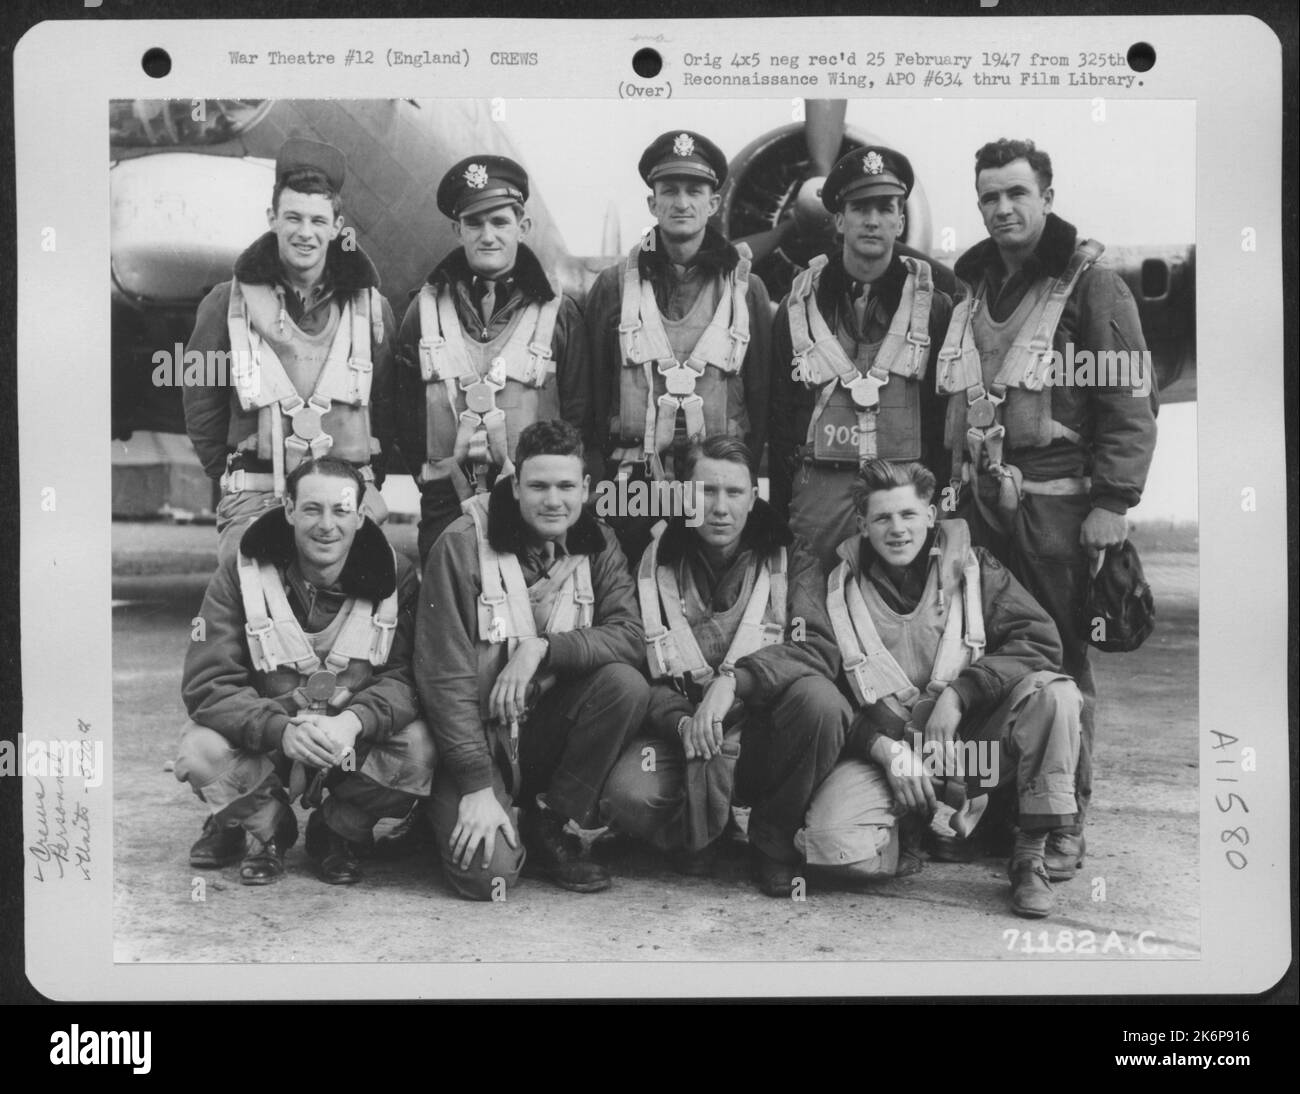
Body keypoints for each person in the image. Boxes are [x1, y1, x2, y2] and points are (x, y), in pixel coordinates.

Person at [934, 138, 1157, 877]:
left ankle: (1063, 823)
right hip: (980, 509)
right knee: (990, 660)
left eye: (1016, 193)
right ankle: (1005, 818)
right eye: (989, 196)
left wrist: (1114, 502)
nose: (1001, 208)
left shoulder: (1094, 287)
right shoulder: (970, 290)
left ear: (1047, 197)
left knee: (1063, 668)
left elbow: (1129, 401)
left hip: (1058, 512)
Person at [800, 459, 1082, 917]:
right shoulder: (834, 590)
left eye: (909, 515)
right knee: (834, 847)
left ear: (930, 517)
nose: (897, 529)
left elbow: (1039, 639)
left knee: (1055, 695)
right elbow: (821, 689)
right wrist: (883, 751)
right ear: (861, 524)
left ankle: (1030, 855)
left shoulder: (975, 570)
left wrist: (960, 693)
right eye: (882, 518)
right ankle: (910, 829)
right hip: (892, 757)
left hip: (970, 753)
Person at [600, 436, 847, 896]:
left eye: (734, 493)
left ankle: (771, 840)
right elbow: (634, 661)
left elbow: (817, 645)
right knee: (626, 796)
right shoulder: (650, 560)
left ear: (754, 499)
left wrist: (736, 681)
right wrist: (681, 721)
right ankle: (695, 831)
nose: (719, 508)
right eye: (705, 491)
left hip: (761, 734)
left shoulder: (792, 556)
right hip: (681, 733)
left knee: (822, 703)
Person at [414, 420, 649, 900]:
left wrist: (542, 648)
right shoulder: (462, 544)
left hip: (542, 730)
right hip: (477, 739)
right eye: (538, 486)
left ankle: (550, 823)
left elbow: (629, 636)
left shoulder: (598, 542)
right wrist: (476, 784)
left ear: (585, 488)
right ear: (514, 485)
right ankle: (444, 809)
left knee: (624, 684)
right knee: (489, 878)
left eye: (566, 486)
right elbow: (443, 679)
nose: (553, 500)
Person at [176, 456, 431, 886]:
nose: (326, 525)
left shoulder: (399, 578)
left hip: (349, 743)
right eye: (312, 509)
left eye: (341, 510)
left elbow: (407, 679)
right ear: (289, 509)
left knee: (420, 748)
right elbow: (208, 683)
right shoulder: (241, 575)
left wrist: (355, 721)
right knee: (199, 749)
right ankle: (268, 827)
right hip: (269, 742)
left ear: (361, 514)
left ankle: (336, 830)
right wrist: (280, 730)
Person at [183, 137, 396, 561]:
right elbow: (200, 403)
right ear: (272, 219)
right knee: (251, 602)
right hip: (257, 494)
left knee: (385, 596)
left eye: (318, 220)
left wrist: (368, 482)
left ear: (337, 226)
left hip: (344, 497)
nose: (305, 233)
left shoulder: (372, 310)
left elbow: (388, 406)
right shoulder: (225, 304)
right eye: (293, 217)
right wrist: (232, 477)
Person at [584, 130, 772, 561]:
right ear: (652, 203)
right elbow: (595, 395)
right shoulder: (613, 287)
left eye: (695, 190)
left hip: (718, 484)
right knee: (631, 584)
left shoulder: (748, 290)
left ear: (714, 202)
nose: (682, 202)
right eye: (669, 191)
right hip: (633, 484)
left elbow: (762, 399)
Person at [395, 155, 592, 564]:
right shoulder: (424, 310)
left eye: (500, 222)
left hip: (531, 505)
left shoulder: (561, 314)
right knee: (447, 617)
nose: (487, 236)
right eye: (474, 223)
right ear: (457, 230)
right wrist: (433, 474)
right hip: (444, 504)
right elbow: (402, 408)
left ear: (523, 227)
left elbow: (579, 413)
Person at [769, 146, 954, 572]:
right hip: (819, 497)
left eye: (886, 208)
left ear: (901, 220)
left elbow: (945, 418)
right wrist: (779, 516)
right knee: (812, 608)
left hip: (903, 496)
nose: (873, 220)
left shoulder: (937, 308)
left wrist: (940, 505)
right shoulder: (797, 310)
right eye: (859, 208)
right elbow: (779, 423)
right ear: (838, 219)